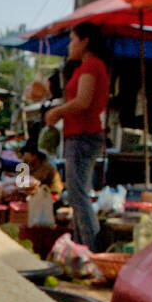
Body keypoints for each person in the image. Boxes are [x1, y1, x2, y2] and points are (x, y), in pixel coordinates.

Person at [44, 23, 109, 250]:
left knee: (79, 194)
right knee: (76, 193)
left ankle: (90, 250)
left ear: (85, 41)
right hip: (79, 136)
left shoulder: (92, 65)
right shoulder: (85, 67)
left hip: (83, 136)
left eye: (72, 40)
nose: (70, 45)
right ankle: (82, 247)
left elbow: (83, 102)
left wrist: (56, 112)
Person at [21, 127, 64, 197]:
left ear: (34, 156)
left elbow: (34, 182)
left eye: (26, 153)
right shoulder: (28, 164)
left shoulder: (46, 167)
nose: (24, 155)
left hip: (51, 195)